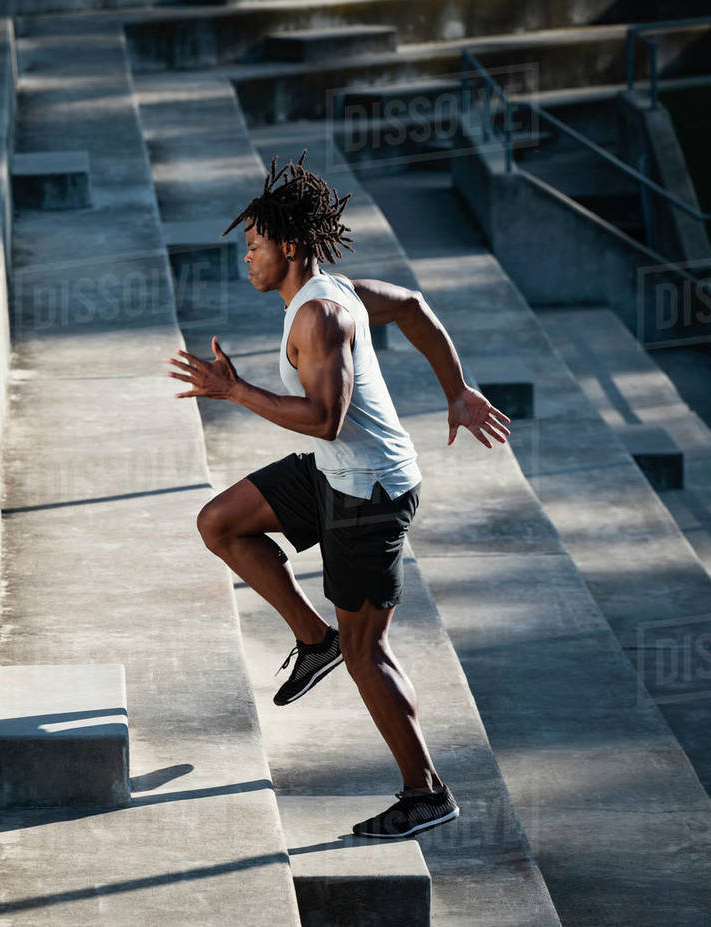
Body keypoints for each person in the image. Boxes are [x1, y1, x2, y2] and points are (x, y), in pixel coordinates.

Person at [166, 151, 510, 838]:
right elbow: (412, 306)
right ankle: (311, 636)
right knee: (221, 523)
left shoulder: (320, 317)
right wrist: (457, 389)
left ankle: (426, 790)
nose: (247, 259)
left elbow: (325, 415)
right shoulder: (333, 291)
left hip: (370, 495)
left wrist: (234, 390)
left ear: (288, 247)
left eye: (254, 246)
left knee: (369, 654)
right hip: (337, 472)